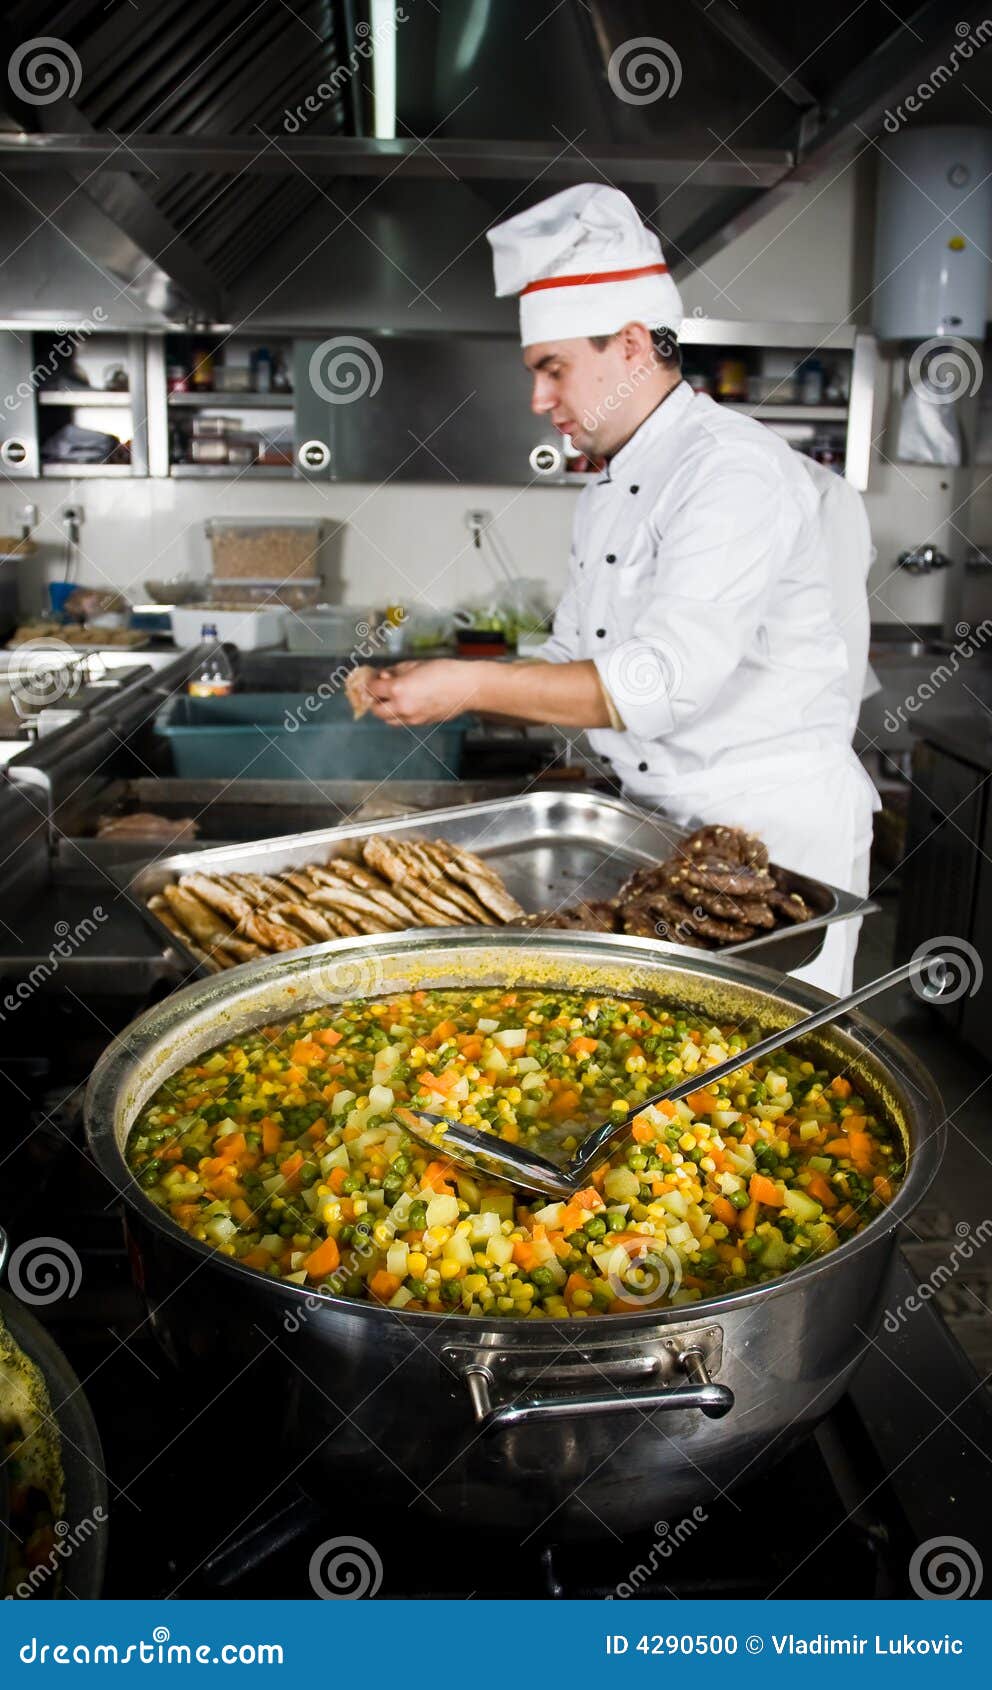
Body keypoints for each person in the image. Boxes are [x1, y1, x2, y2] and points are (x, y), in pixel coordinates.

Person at [366, 183, 878, 995]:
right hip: (664, 826)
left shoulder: (730, 472)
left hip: (775, 835)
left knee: (765, 1054)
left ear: (634, 345)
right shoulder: (609, 488)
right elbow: (571, 661)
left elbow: (661, 683)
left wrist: (469, 684)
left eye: (553, 369)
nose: (539, 400)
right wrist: (429, 685)